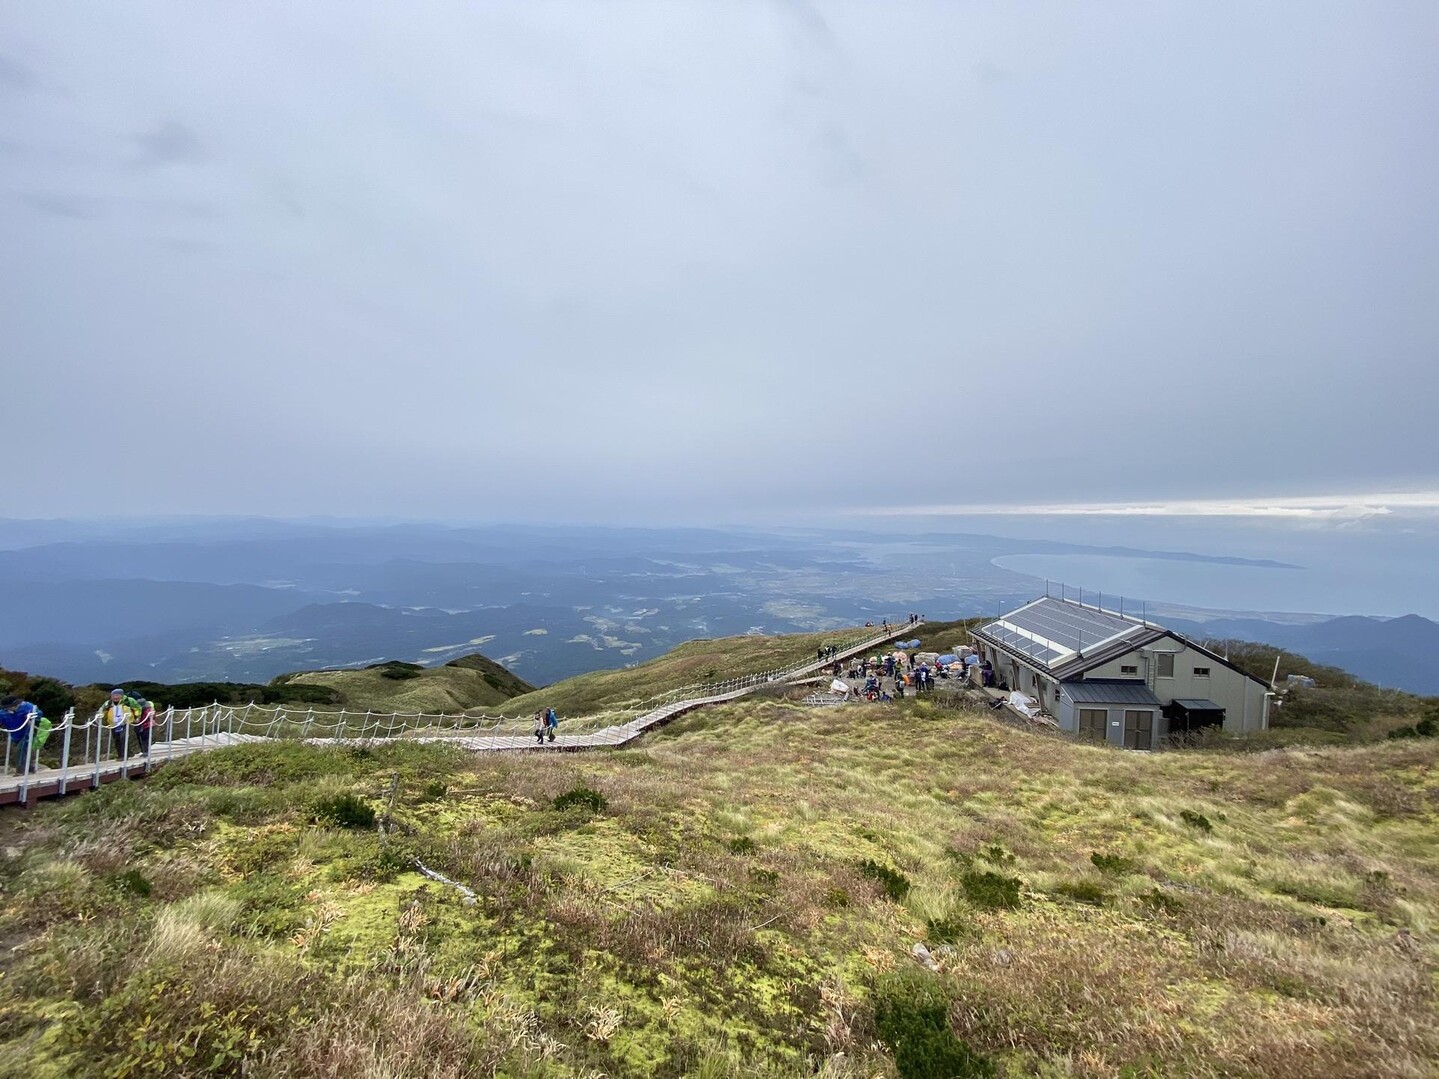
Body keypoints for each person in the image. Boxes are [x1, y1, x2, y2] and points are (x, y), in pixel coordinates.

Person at [0, 695, 44, 773]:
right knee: (19, 750)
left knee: (22, 748)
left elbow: (39, 713)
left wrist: (33, 718)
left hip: (28, 731)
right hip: (15, 734)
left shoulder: (27, 706)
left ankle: (21, 771)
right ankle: (30, 768)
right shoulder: (3, 712)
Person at [101, 688, 140, 757]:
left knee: (123, 737)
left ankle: (124, 755)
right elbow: (102, 711)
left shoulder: (129, 701)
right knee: (117, 739)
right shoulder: (108, 703)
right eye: (113, 695)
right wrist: (99, 719)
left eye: (117, 695)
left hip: (126, 722)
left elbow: (137, 708)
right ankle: (121, 755)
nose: (115, 697)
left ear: (122, 695)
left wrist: (137, 717)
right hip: (113, 724)